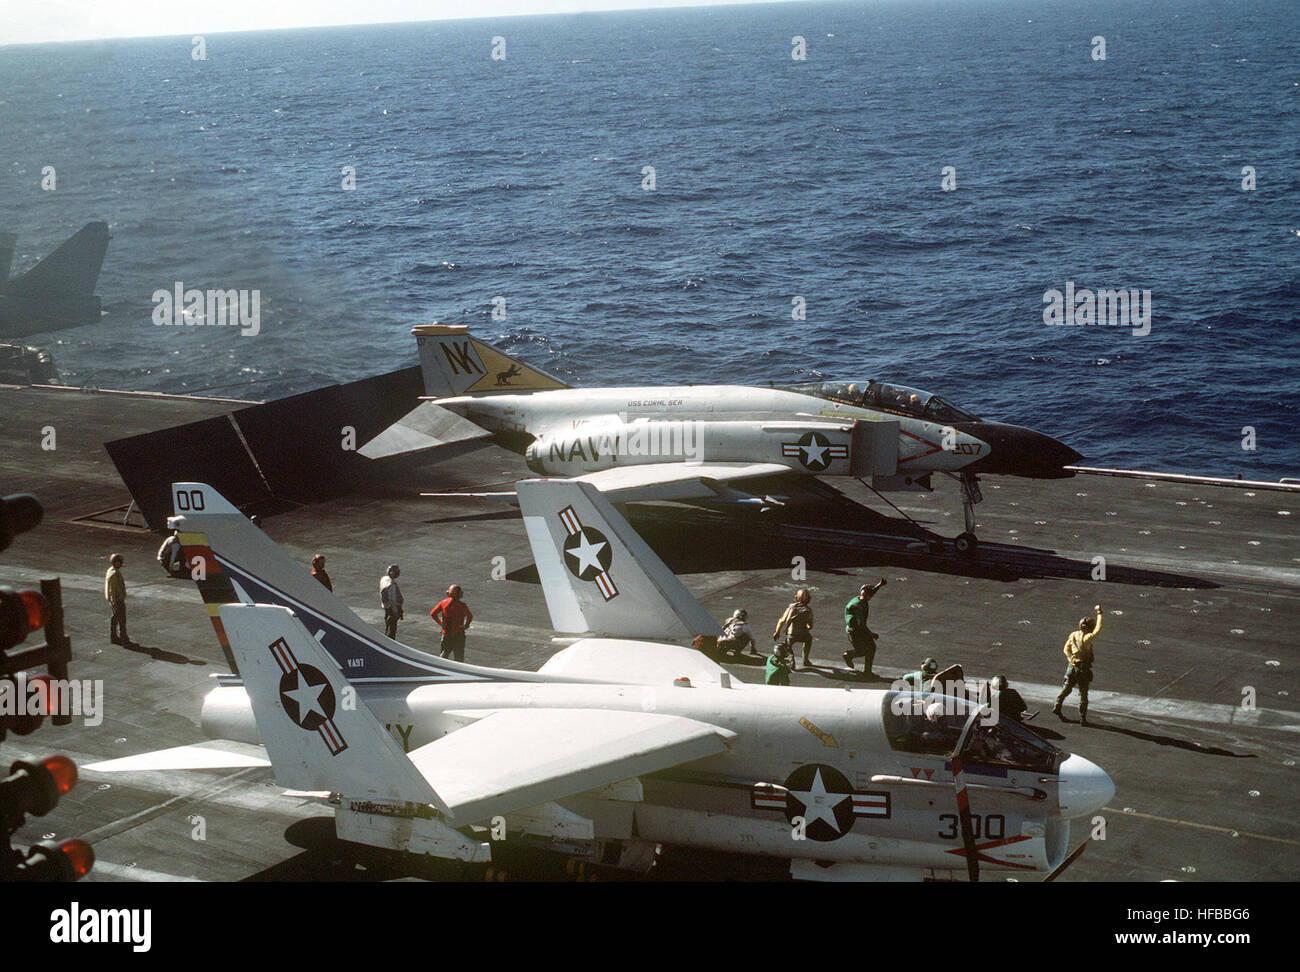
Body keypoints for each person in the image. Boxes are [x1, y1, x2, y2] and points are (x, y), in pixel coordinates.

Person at [1054, 604, 1103, 724]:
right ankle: (1082, 718)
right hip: (1083, 669)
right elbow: (1098, 629)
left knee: (1066, 688)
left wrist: (1072, 660)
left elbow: (1066, 650)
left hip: (1072, 667)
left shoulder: (1073, 635)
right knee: (1083, 695)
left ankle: (1057, 706)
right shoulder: (1087, 639)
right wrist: (1099, 613)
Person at [843, 579, 886, 675]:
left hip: (859, 629)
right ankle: (848, 655)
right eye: (870, 596)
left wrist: (879, 585)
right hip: (854, 631)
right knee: (862, 651)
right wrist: (871, 634)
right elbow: (861, 625)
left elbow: (871, 591)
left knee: (871, 647)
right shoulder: (857, 606)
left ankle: (867, 671)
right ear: (867, 595)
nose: (872, 597)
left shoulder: (863, 598)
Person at [772, 589, 814, 669]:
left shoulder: (791, 608)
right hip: (803, 634)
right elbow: (810, 625)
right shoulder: (808, 610)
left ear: (796, 598)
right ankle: (805, 659)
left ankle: (792, 661)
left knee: (788, 646)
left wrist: (777, 632)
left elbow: (782, 621)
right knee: (809, 639)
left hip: (791, 634)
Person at [430, 584, 473, 661]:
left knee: (444, 655)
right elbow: (470, 616)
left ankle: (441, 669)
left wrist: (440, 623)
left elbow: (433, 613)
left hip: (446, 632)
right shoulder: (462, 605)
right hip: (458, 632)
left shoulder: (443, 603)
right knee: (458, 656)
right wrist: (466, 625)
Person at [105, 553, 129, 646]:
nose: (119, 564)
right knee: (121, 619)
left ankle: (114, 636)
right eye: (117, 562)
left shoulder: (112, 571)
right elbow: (112, 589)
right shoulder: (114, 574)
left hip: (116, 599)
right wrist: (114, 602)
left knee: (115, 618)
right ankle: (123, 638)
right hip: (117, 600)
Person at [379, 564, 403, 639]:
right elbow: (392, 599)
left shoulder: (384, 579)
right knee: (391, 629)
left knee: (388, 625)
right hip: (392, 609)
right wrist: (395, 611)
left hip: (386, 607)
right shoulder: (391, 584)